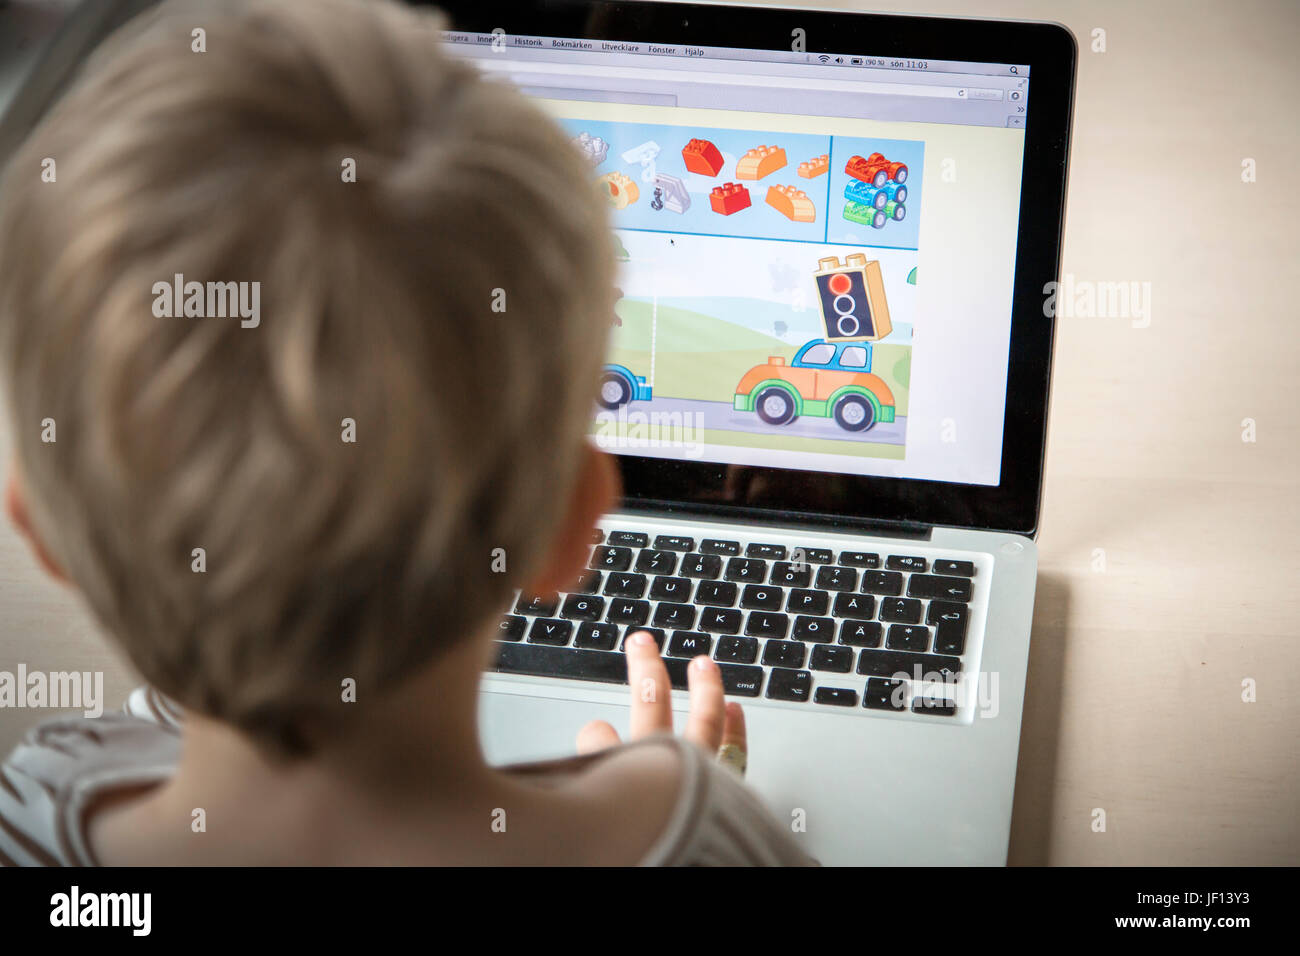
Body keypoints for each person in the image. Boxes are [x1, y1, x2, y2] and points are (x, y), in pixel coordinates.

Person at [0, 0, 813, 866]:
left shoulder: (36, 803)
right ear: (575, 526)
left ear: (45, 532)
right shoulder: (708, 837)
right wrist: (684, 798)